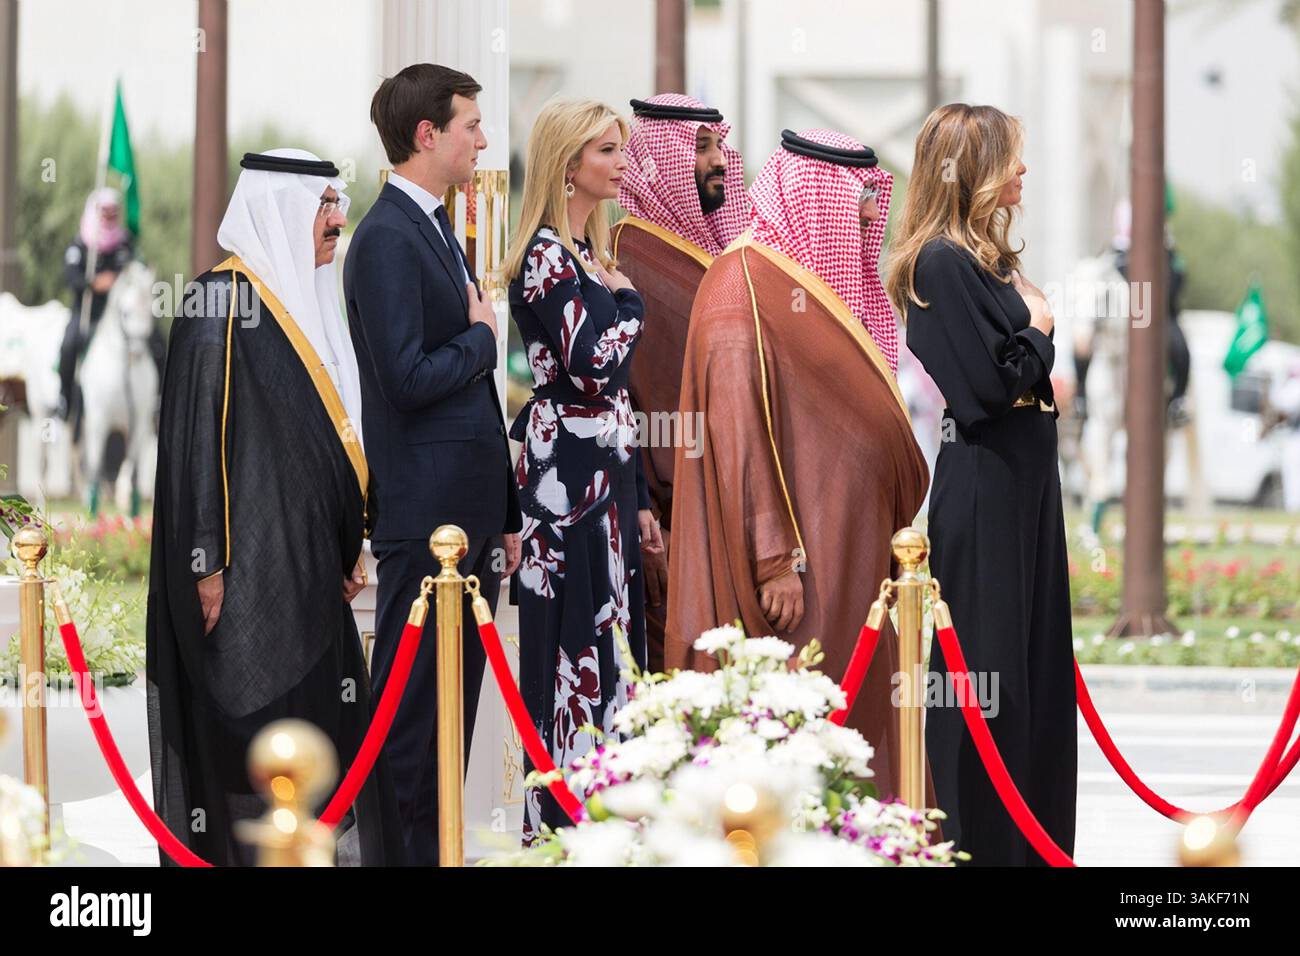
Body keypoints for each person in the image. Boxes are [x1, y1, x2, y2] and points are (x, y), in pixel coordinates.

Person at [665, 129, 937, 811]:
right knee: (800, 724)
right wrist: (772, 559)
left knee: (849, 728)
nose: (872, 213)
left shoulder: (795, 287)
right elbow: (737, 434)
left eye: (874, 194)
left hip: (848, 556)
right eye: (858, 196)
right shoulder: (743, 288)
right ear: (813, 194)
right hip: (797, 574)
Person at [146, 149, 403, 866]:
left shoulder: (307, 304)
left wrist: (349, 542)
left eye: (337, 203)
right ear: (279, 209)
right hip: (242, 584)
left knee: (323, 739)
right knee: (248, 740)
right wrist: (205, 566)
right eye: (323, 205)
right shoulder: (217, 303)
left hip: (311, 578)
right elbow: (196, 445)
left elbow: (335, 443)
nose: (337, 219)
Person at [889, 103, 1077, 865]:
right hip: (985, 481)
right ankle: (982, 847)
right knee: (989, 672)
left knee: (1034, 666)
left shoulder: (986, 262)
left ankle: (1033, 844)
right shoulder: (939, 264)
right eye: (1010, 157)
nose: (1023, 170)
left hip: (1023, 477)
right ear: (972, 170)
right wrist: (1038, 327)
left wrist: (1031, 331)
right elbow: (986, 393)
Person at [344, 63, 521, 866]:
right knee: (411, 728)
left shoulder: (438, 226)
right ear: (427, 134)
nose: (482, 141)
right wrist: (482, 342)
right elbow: (406, 378)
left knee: (453, 722)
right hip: (425, 523)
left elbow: (473, 405)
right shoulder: (386, 236)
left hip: (467, 522)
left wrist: (505, 513)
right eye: (470, 126)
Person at [503, 98, 662, 843]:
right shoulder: (545, 256)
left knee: (613, 647)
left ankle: (609, 825)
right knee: (573, 652)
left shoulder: (585, 255)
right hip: (564, 484)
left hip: (606, 482)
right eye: (607, 150)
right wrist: (630, 300)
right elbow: (594, 364)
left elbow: (617, 397)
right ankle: (562, 835)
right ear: (569, 165)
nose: (622, 162)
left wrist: (637, 500)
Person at [612, 93, 748, 672]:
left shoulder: (717, 261)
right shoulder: (627, 258)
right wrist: (651, 515)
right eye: (700, 147)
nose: (718, 160)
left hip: (721, 518)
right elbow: (633, 398)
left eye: (719, 145)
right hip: (664, 525)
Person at [59, 188, 165, 422]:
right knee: (69, 344)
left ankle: (159, 400)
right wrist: (93, 283)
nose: (110, 216)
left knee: (158, 342)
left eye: (114, 212)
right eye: (105, 212)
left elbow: (137, 270)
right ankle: (64, 398)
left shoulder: (125, 243)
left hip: (122, 315)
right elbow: (70, 276)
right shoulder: (81, 244)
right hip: (89, 313)